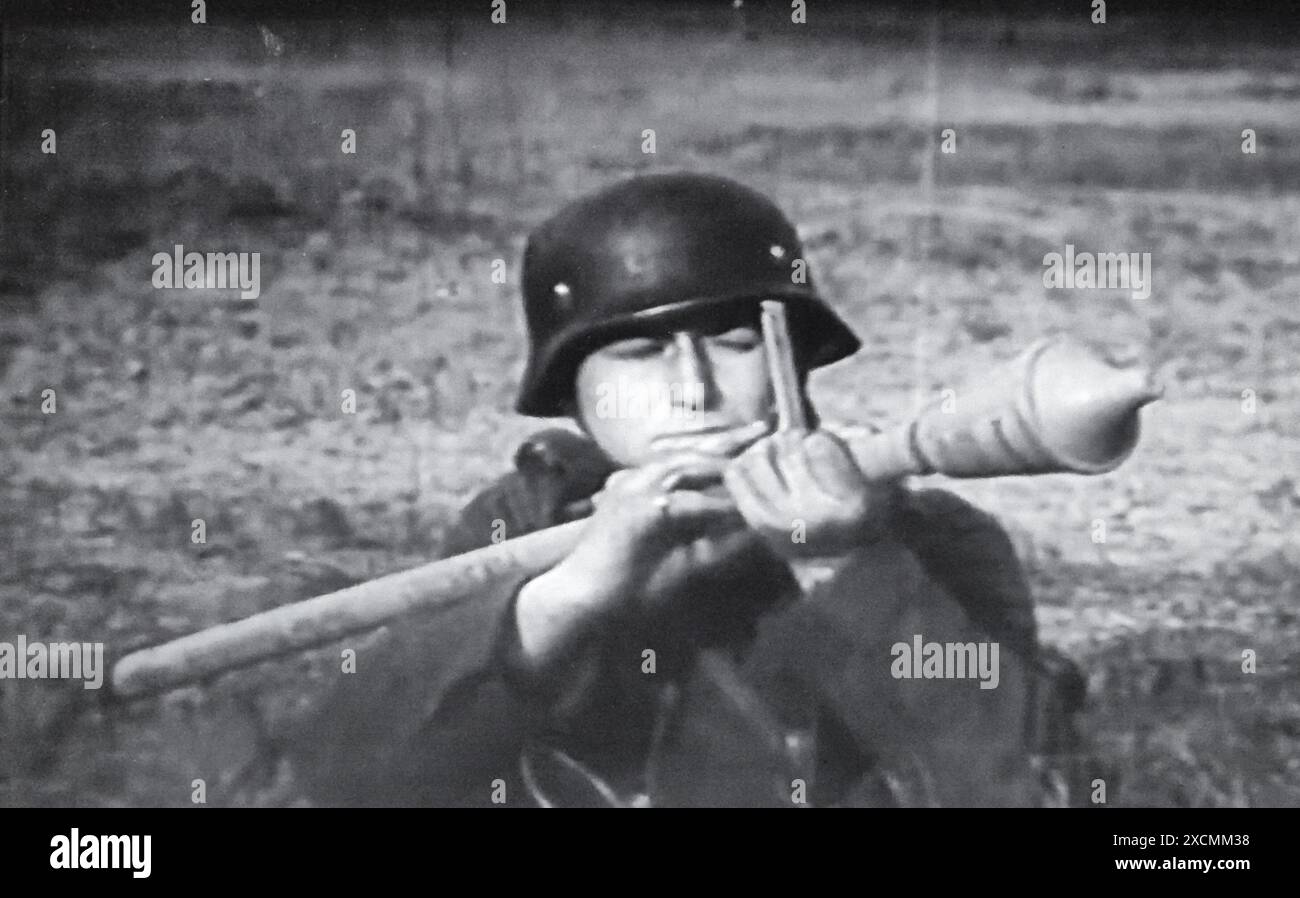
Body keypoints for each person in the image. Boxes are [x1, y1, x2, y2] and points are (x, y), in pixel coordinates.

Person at [291, 172, 1076, 807]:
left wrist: (845, 570)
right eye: (639, 353)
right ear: (573, 401)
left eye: (735, 344)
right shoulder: (522, 526)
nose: (694, 391)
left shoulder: (931, 540)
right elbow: (349, 784)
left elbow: (1014, 789)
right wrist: (572, 596)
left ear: (791, 366)